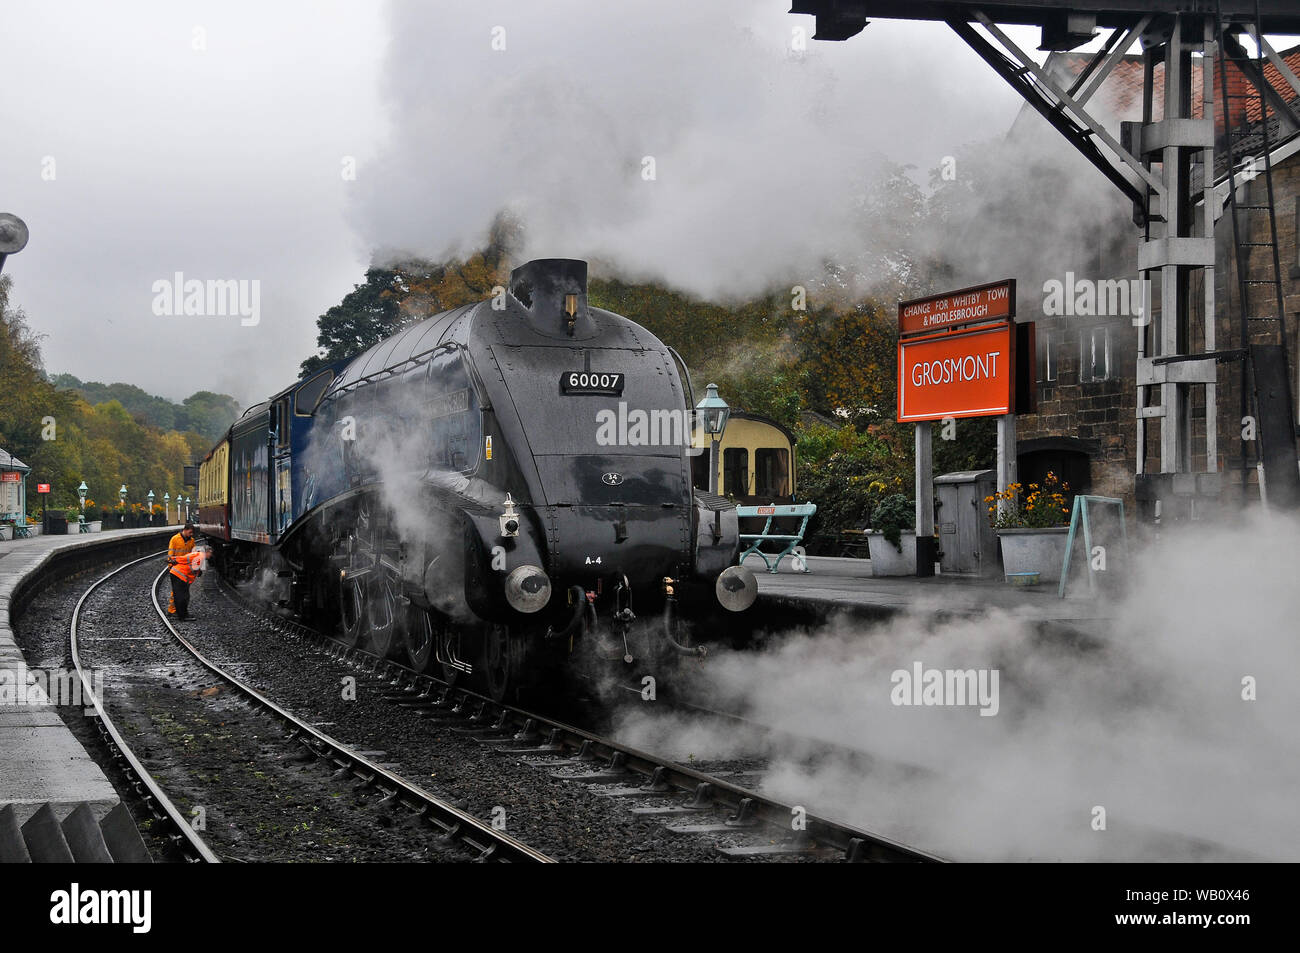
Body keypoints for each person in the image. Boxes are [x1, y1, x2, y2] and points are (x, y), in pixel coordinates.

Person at [166, 522, 197, 614]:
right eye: (190, 532)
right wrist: (171, 566)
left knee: (185, 592)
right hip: (176, 570)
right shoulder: (175, 539)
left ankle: (182, 610)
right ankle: (172, 610)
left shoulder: (191, 541)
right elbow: (170, 554)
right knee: (176, 591)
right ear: (185, 530)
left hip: (186, 570)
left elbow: (194, 555)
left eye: (192, 533)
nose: (191, 534)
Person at [170, 543, 205, 621]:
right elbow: (194, 569)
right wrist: (198, 572)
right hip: (179, 575)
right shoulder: (201, 556)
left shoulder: (197, 555)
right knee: (182, 596)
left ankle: (182, 614)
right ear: (207, 552)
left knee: (181, 596)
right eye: (211, 553)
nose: (211, 555)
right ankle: (183, 616)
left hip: (177, 574)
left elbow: (189, 563)